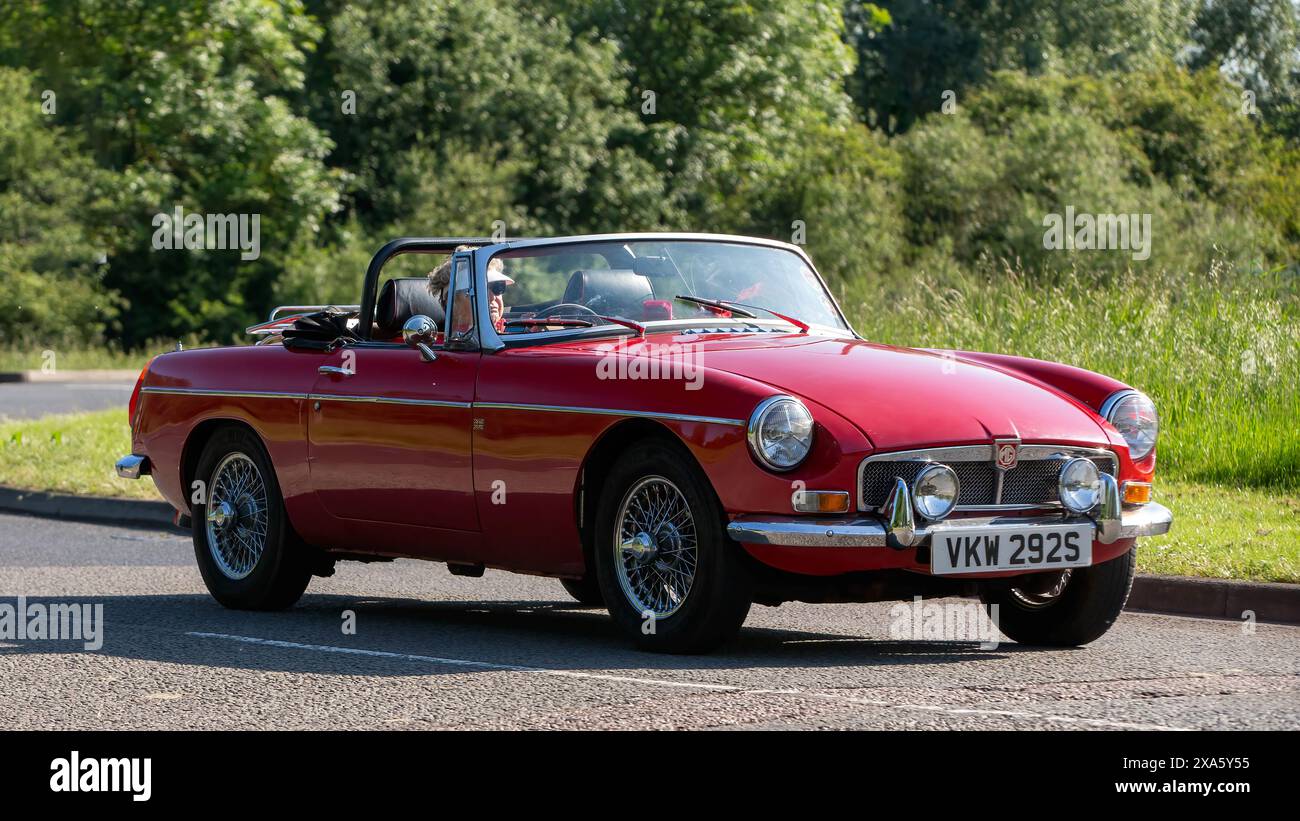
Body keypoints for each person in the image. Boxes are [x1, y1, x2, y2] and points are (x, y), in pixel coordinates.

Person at [427, 247, 514, 333]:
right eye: (479, 290)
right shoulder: (431, 342)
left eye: (497, 287)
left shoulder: (519, 331)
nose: (492, 297)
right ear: (452, 303)